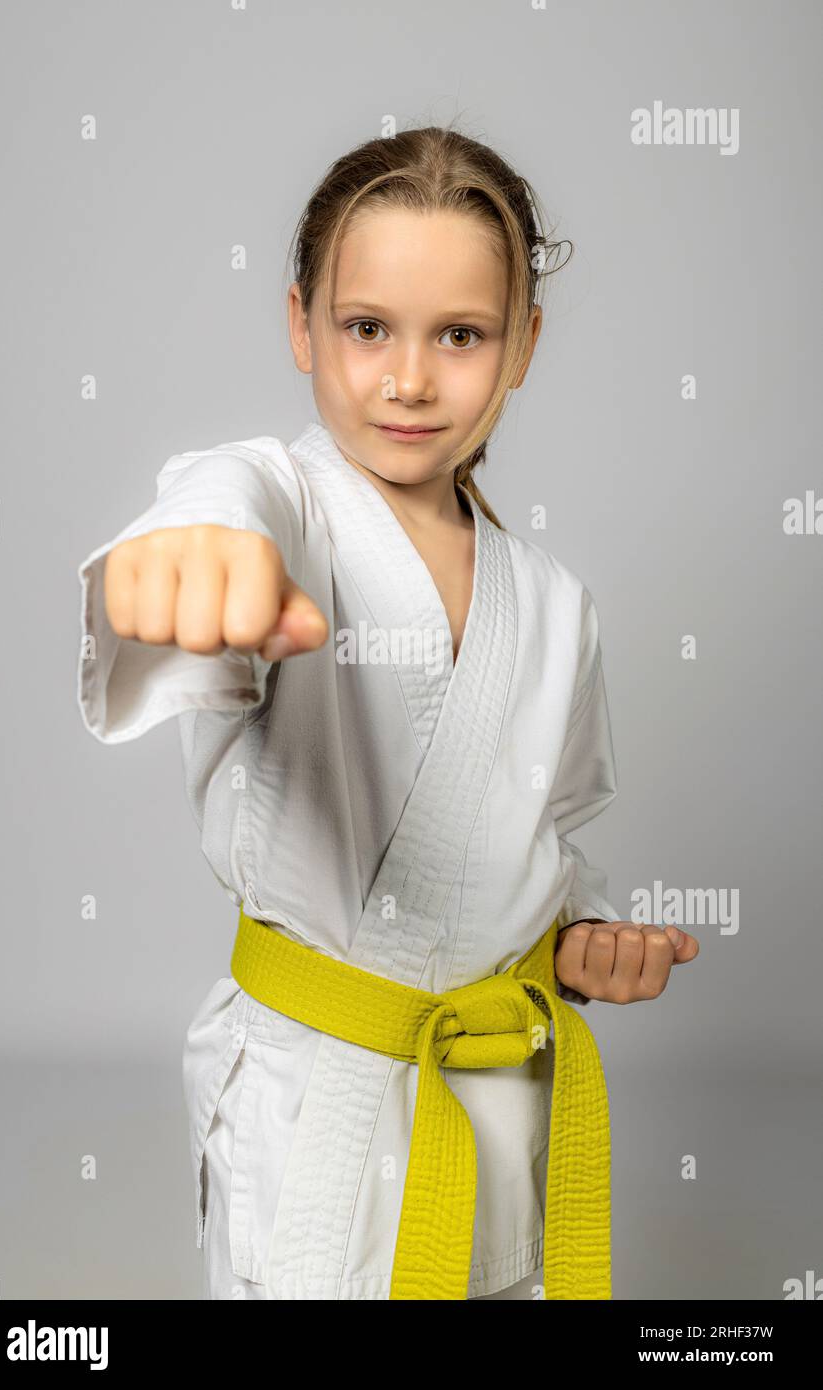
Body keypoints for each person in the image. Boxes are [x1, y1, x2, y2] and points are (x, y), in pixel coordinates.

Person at [76, 125, 699, 1300]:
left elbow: (541, 839)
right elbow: (228, 487)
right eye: (367, 328)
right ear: (301, 321)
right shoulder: (283, 519)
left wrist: (582, 939)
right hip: (319, 1088)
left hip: (495, 1084)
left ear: (521, 345)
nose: (407, 378)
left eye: (458, 334)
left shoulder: (553, 604)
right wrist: (196, 550)